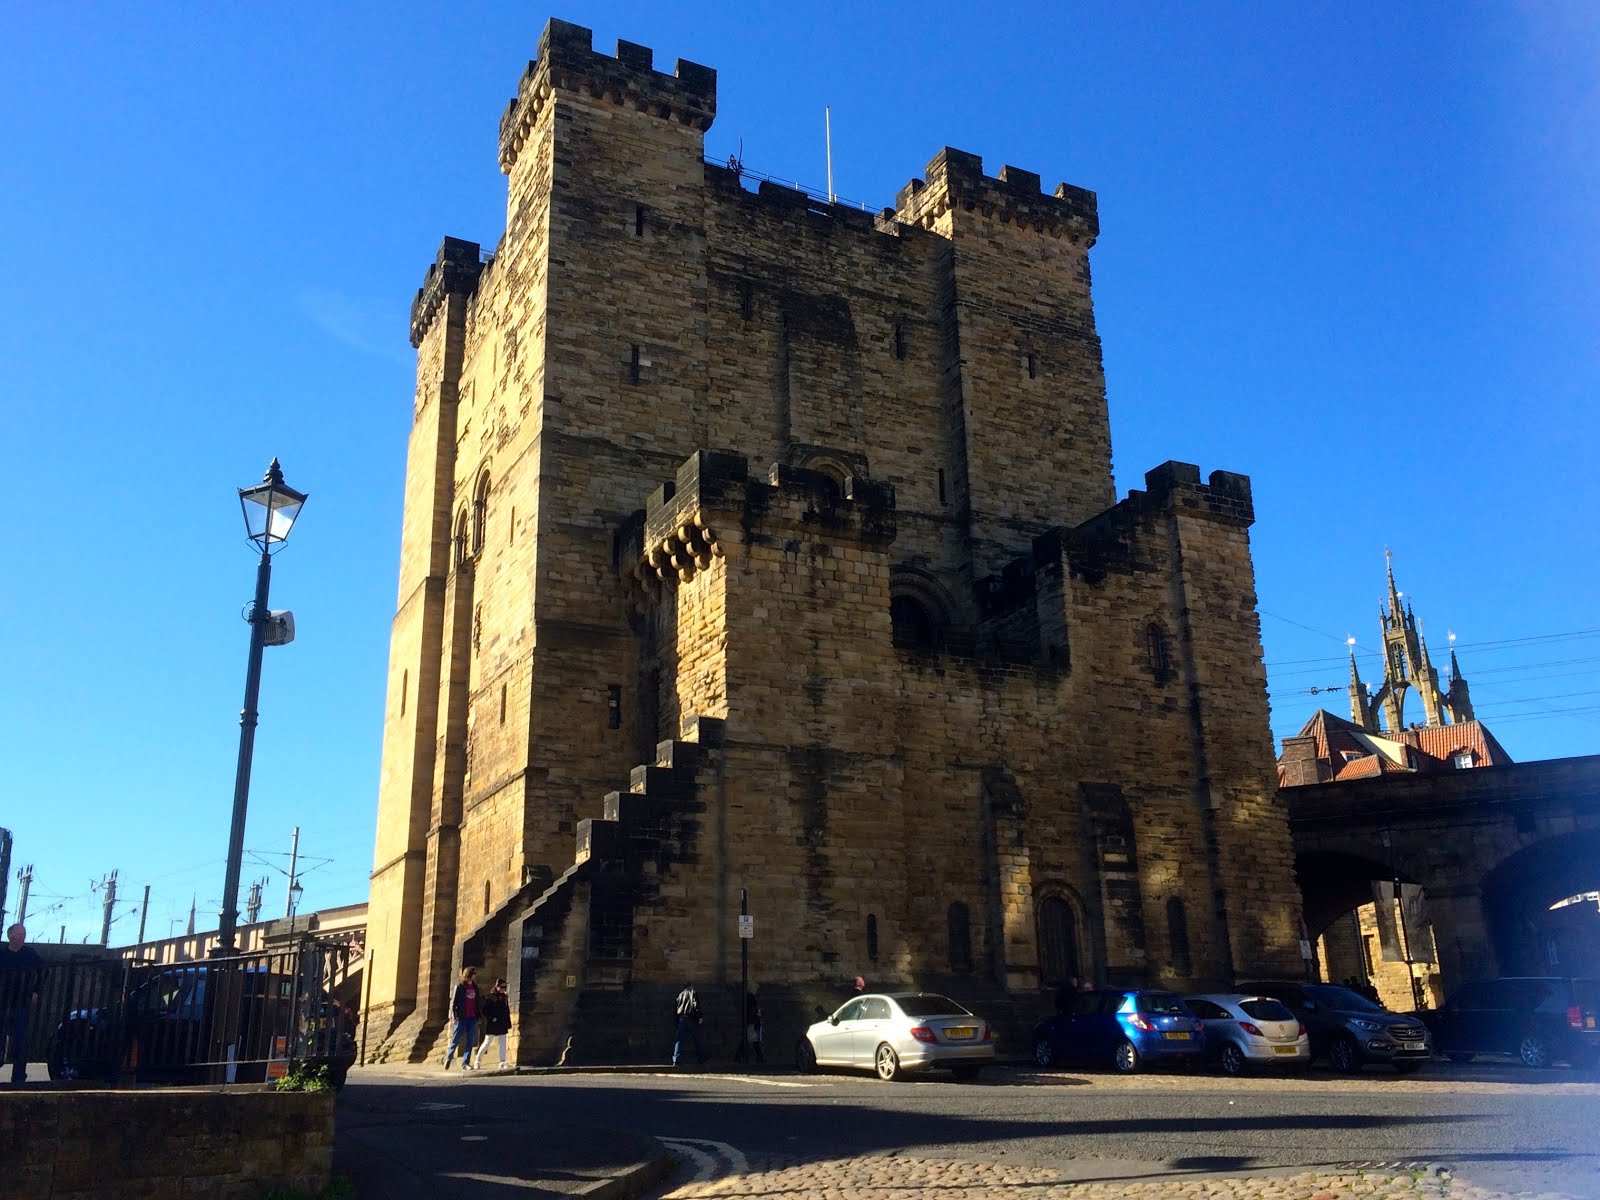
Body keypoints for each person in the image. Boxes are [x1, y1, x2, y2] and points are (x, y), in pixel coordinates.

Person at [0, 923, 42, 1085]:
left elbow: (42, 972)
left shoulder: (30, 955)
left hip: (21, 1002)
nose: (22, 937)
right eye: (19, 934)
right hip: (3, 1002)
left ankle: (18, 1077)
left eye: (23, 934)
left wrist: (36, 991)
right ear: (11, 936)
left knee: (20, 1040)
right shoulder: (3, 955)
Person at [444, 966, 480, 1070]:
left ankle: (465, 1063)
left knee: (470, 1041)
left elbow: (477, 1003)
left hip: (472, 1018)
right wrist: (454, 1017)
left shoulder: (475, 987)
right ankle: (448, 1057)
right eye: (473, 974)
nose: (475, 977)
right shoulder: (459, 987)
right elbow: (453, 1003)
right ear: (469, 975)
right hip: (461, 1018)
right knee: (456, 1039)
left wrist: (478, 1016)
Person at [474, 978, 513, 1070]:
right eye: (502, 987)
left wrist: (508, 1022)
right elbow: (485, 1010)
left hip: (502, 1022)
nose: (503, 989)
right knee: (487, 1041)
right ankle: (478, 1059)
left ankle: (502, 1061)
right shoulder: (490, 997)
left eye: (505, 987)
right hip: (493, 1023)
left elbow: (506, 1011)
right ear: (497, 987)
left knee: (503, 1042)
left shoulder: (504, 997)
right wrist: (492, 1018)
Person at [672, 981, 705, 1067]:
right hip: (691, 1018)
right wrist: (700, 1016)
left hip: (682, 1019)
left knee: (679, 1040)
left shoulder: (680, 995)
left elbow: (676, 1008)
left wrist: (676, 1020)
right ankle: (701, 1058)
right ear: (691, 986)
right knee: (697, 1039)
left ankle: (676, 1059)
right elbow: (696, 1005)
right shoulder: (693, 993)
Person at [735, 986, 764, 1064]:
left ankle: (759, 1056)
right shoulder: (751, 998)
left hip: (751, 1021)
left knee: (751, 1040)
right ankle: (759, 1056)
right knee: (752, 1040)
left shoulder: (749, 998)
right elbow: (752, 1010)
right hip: (752, 1021)